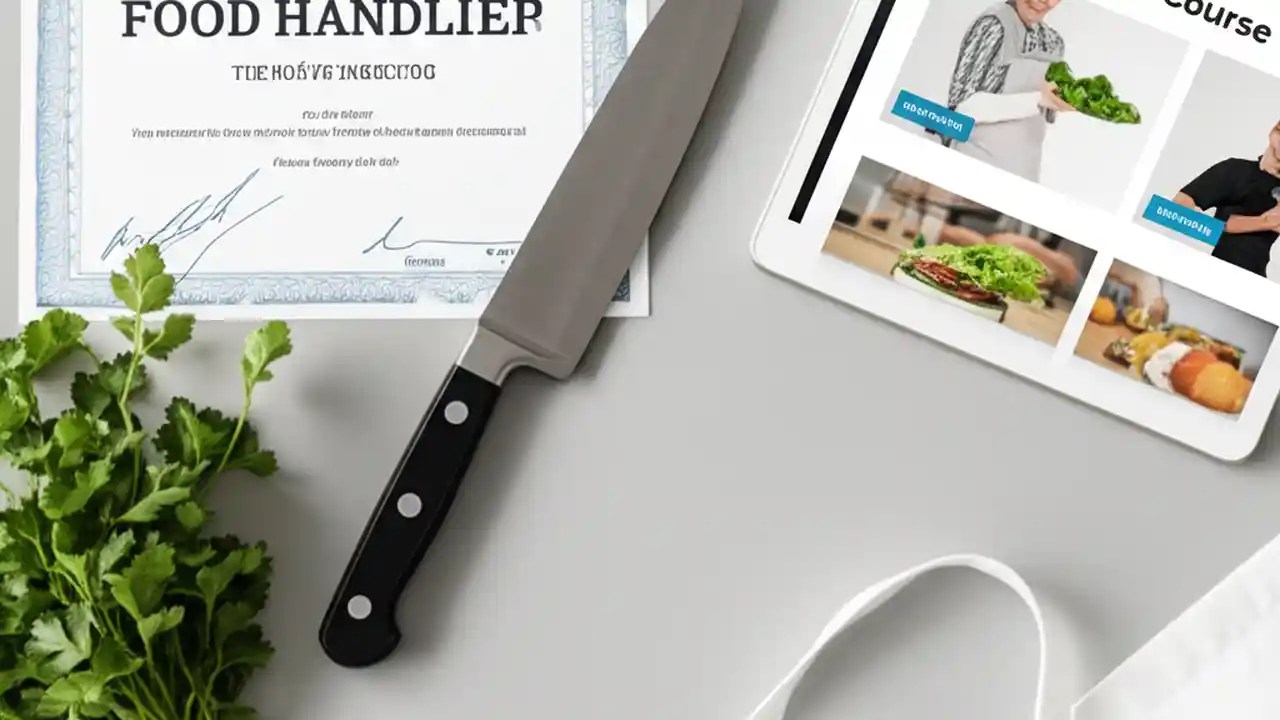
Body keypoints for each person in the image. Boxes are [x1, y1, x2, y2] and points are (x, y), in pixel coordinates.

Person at [943, 0, 1074, 181]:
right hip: (973, 171)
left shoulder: (1054, 43)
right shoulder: (993, 25)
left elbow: (1046, 116)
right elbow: (959, 112)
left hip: (1024, 176)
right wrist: (1037, 99)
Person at [1172, 120, 1280, 278]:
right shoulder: (1235, 170)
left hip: (1254, 282)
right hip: (1210, 273)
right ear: (1274, 133)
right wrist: (1263, 222)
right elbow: (1176, 211)